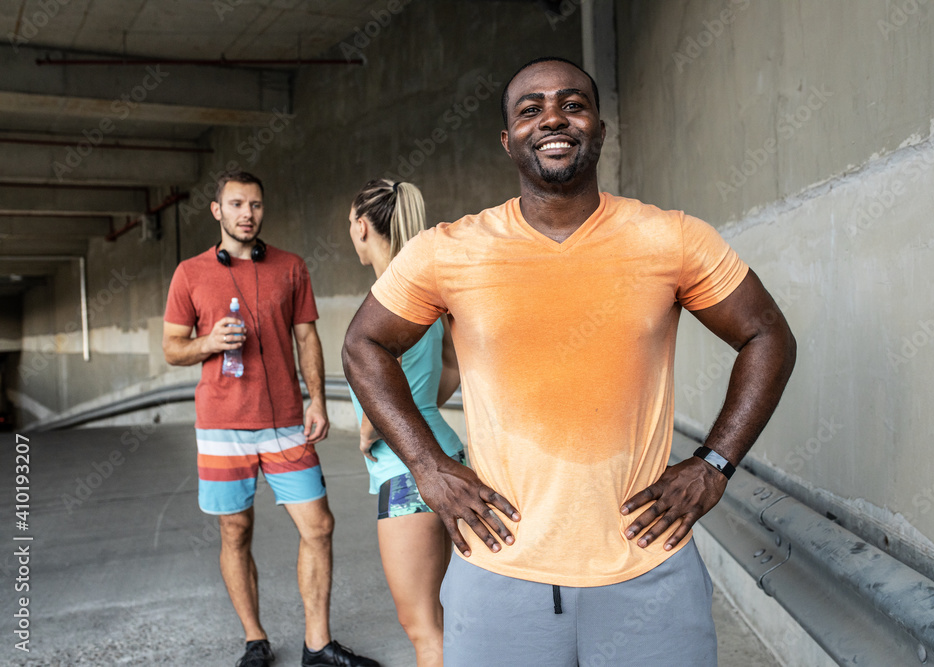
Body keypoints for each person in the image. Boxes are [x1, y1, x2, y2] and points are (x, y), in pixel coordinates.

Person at [342, 57, 797, 665]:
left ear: (600, 128)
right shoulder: (448, 251)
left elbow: (767, 334)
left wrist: (713, 464)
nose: (552, 118)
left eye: (572, 103)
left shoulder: (672, 238)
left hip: (647, 568)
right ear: (507, 141)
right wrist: (427, 467)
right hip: (500, 570)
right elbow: (363, 345)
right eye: (530, 109)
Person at [163, 170, 378, 667]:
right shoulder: (190, 273)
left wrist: (318, 402)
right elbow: (172, 349)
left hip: (286, 423)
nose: (247, 214)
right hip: (221, 426)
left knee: (318, 526)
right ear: (217, 210)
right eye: (236, 204)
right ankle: (254, 640)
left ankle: (318, 646)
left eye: (255, 205)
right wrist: (209, 343)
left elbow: (307, 338)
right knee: (235, 531)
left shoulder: (291, 267)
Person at [345, 178, 464, 666]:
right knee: (451, 617)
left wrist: (373, 427)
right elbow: (454, 365)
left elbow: (377, 401)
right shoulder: (426, 292)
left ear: (361, 227)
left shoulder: (385, 299)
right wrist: (417, 407)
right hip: (451, 456)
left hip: (405, 473)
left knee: (423, 629)